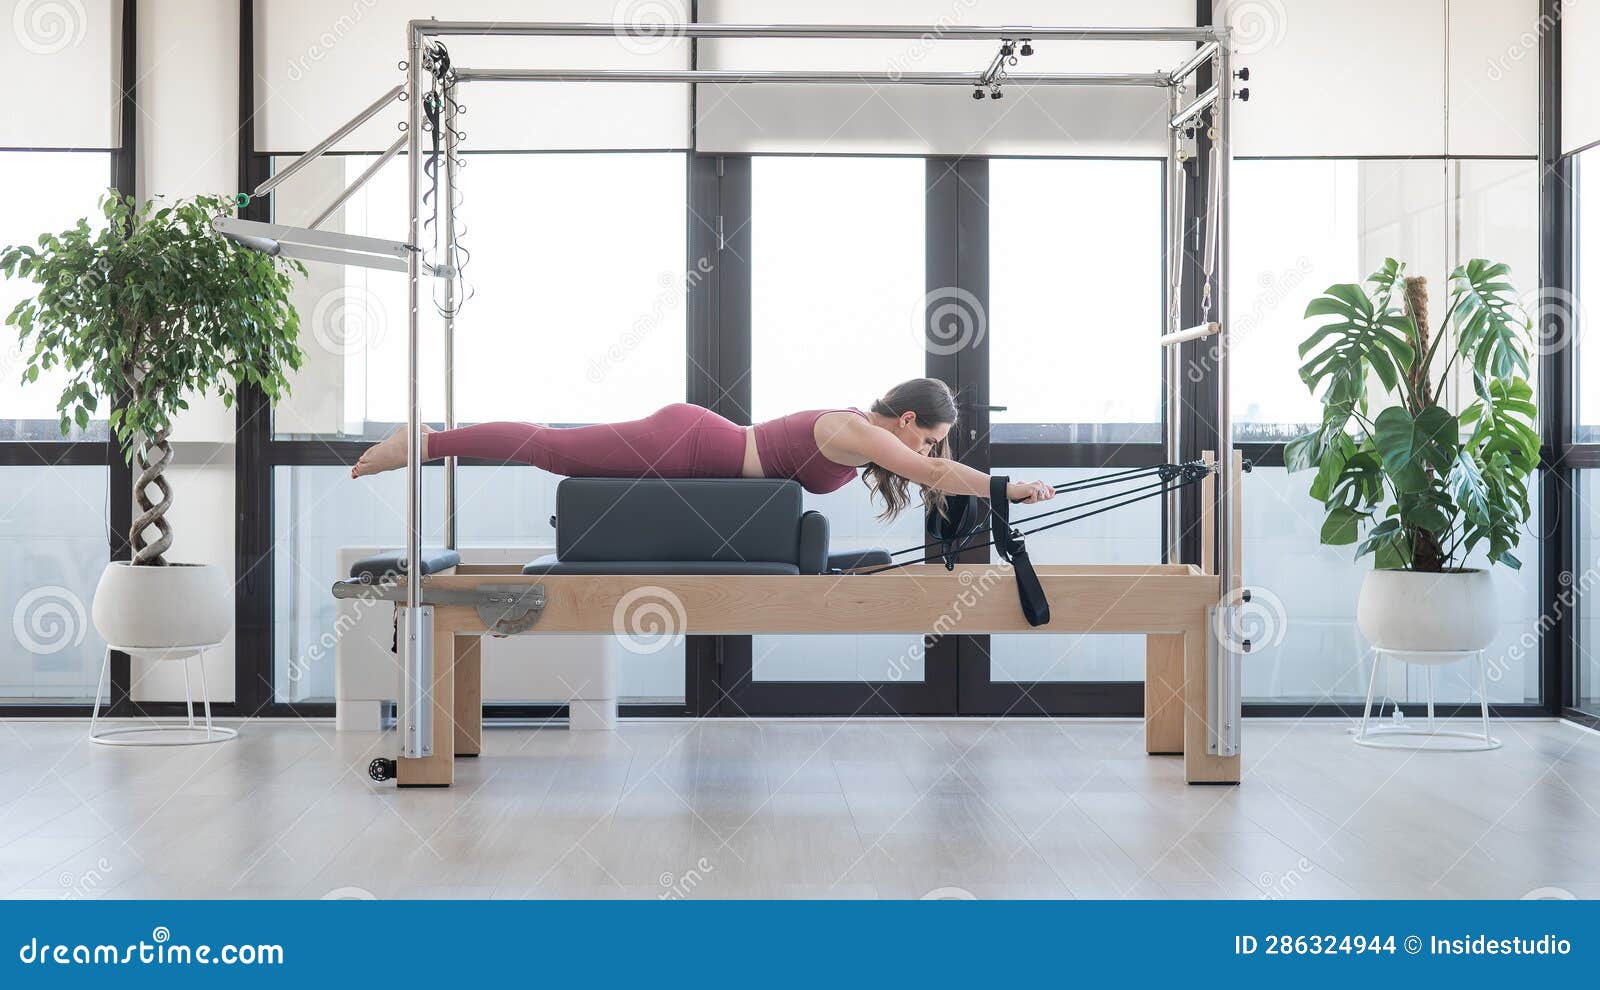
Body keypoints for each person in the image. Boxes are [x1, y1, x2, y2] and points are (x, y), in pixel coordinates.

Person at [351, 377, 1055, 520]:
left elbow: (928, 471)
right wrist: (1008, 487)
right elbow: (933, 473)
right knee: (551, 449)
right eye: (928, 437)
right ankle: (425, 441)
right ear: (907, 421)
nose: (929, 451)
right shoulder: (859, 432)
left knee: (552, 449)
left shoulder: (867, 436)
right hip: (686, 445)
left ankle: (430, 440)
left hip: (698, 445)